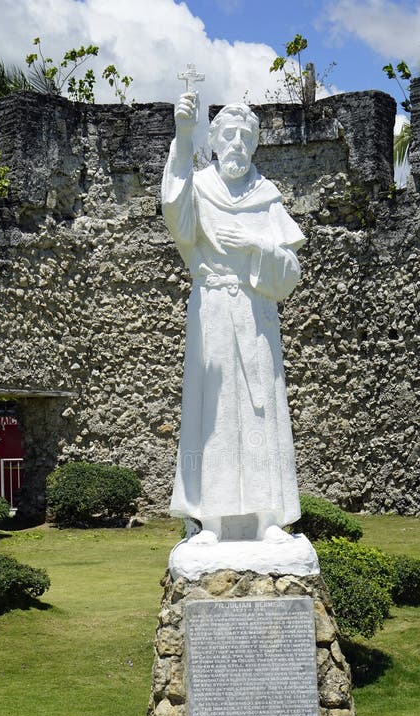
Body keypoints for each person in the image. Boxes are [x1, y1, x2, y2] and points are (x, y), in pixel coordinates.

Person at [162, 92, 305, 545]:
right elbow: (177, 219)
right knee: (214, 412)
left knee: (261, 409)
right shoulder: (198, 188)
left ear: (254, 145)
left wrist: (254, 244)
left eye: (247, 136)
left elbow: (290, 273)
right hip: (213, 312)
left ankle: (269, 519)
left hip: (256, 314)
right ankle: (210, 520)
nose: (239, 143)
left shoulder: (267, 198)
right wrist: (183, 139)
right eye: (230, 135)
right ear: (217, 142)